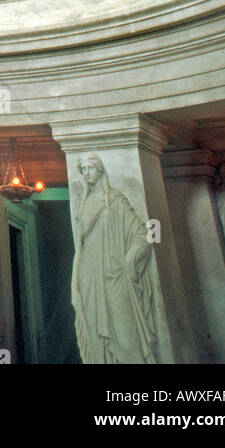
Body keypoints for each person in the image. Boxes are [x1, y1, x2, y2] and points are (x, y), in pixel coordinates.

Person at [71, 153, 157, 364]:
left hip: (116, 273)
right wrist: (75, 283)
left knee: (126, 336)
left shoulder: (116, 200)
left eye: (90, 167)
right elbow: (81, 245)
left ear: (100, 168)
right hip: (89, 274)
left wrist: (130, 258)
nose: (86, 173)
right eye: (83, 169)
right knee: (95, 337)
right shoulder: (84, 203)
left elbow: (141, 233)